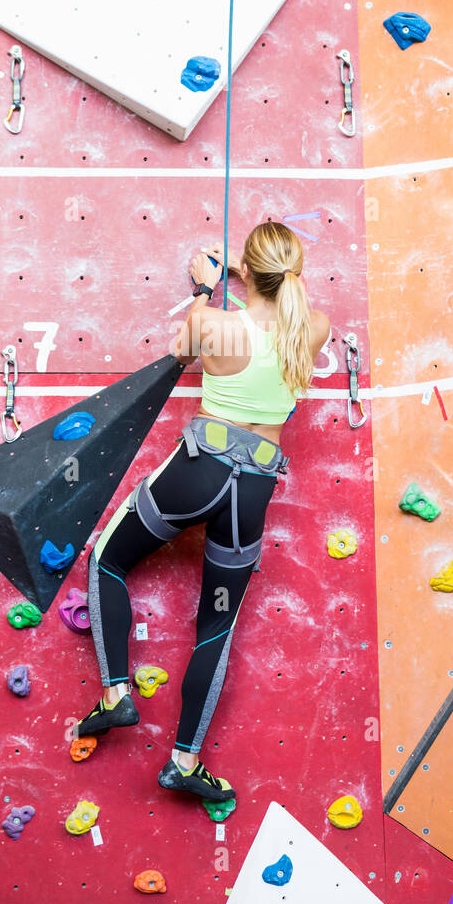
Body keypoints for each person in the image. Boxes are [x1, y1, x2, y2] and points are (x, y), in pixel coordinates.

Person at [72, 220, 331, 803]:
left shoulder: (210, 322)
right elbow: (283, 299)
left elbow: (181, 353)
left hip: (196, 476)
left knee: (108, 563)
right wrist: (244, 272)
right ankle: (185, 761)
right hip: (251, 493)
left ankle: (116, 695)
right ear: (294, 272)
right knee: (217, 623)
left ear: (248, 271)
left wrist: (204, 286)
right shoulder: (313, 329)